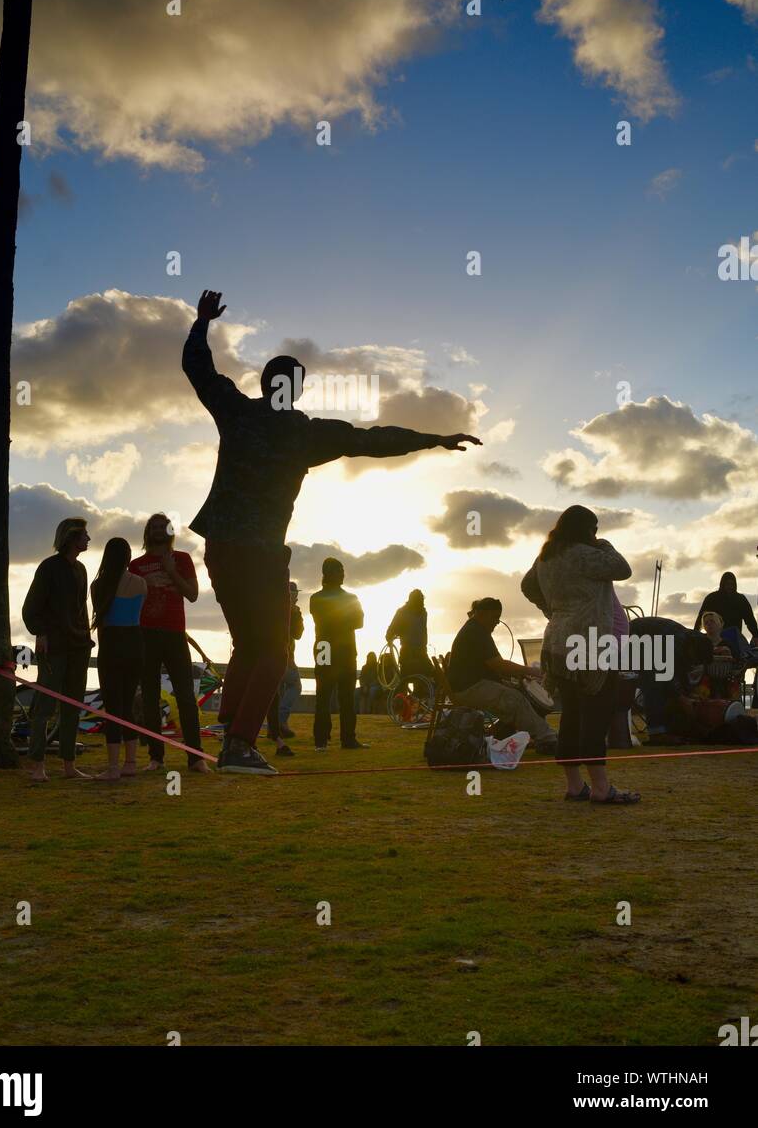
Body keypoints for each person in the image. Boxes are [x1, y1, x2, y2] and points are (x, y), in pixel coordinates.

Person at [182, 288, 482, 775]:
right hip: (259, 553)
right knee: (274, 654)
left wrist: (201, 322)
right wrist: (435, 440)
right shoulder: (305, 432)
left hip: (219, 545)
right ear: (297, 390)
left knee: (246, 646)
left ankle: (230, 726)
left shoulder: (236, 410)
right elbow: (372, 440)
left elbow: (198, 368)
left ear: (264, 383)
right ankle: (238, 744)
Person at [522, 505, 639, 804]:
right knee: (596, 716)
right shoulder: (587, 554)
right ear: (584, 529)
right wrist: (603, 544)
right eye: (594, 528)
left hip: (558, 644)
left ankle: (575, 786)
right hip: (590, 645)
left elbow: (527, 585)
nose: (597, 534)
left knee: (572, 715)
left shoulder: (547, 557)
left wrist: (551, 609)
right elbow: (623, 567)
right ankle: (601, 788)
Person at [129, 513, 210, 775]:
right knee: (149, 698)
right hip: (145, 635)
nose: (156, 531)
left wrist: (171, 570)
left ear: (170, 531)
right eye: (152, 527)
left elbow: (193, 594)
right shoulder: (136, 564)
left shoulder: (183, 559)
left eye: (161, 527)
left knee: (186, 697)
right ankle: (156, 757)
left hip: (175, 634)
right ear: (146, 532)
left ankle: (196, 758)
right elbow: (130, 601)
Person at [21, 517, 95, 783]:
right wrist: (40, 632)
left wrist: (86, 638)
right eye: (84, 535)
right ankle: (37, 765)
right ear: (72, 537)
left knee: (72, 707)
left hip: (79, 646)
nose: (88, 539)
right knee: (44, 708)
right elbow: (31, 607)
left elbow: (81, 609)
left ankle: (68, 765)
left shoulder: (82, 569)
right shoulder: (49, 567)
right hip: (54, 646)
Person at [446, 598, 558, 754]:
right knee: (516, 699)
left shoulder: (475, 629)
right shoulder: (476, 632)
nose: (496, 623)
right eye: (495, 618)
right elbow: (499, 665)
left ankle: (513, 735)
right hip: (469, 689)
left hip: (469, 685)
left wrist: (517, 675)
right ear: (483, 614)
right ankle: (548, 739)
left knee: (514, 696)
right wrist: (530, 671)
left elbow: (492, 666)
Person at [91, 538, 147, 781]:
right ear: (127, 557)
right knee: (127, 705)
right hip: (135, 643)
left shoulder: (98, 585)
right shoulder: (141, 583)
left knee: (113, 708)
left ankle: (113, 767)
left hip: (112, 645)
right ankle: (130, 763)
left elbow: (101, 624)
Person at [628, 615, 714, 744]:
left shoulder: (691, 642)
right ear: (692, 650)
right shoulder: (674, 642)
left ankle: (673, 726)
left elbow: (681, 673)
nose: (693, 662)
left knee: (671, 684)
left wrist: (690, 695)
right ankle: (657, 733)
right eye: (694, 659)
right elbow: (663, 672)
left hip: (647, 648)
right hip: (627, 643)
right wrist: (682, 698)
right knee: (654, 680)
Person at [309, 559, 366, 750]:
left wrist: (335, 619)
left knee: (346, 697)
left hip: (341, 649)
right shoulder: (318, 598)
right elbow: (353, 620)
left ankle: (347, 739)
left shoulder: (346, 597)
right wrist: (344, 619)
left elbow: (359, 621)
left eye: (343, 570)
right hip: (327, 648)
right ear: (328, 573)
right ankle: (322, 739)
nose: (343, 574)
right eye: (338, 570)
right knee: (324, 695)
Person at [264, 582, 304, 756]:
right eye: (295, 594)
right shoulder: (292, 611)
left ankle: (275, 728)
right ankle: (281, 721)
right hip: (284, 657)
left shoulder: (272, 607)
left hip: (269, 656)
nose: (296, 597)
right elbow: (297, 634)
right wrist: (296, 614)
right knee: (295, 685)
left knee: (276, 692)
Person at [386, 590, 433, 697]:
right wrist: (393, 635)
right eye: (419, 600)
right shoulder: (403, 612)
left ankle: (415, 704)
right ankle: (404, 707)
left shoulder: (423, 613)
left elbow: (391, 632)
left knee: (420, 680)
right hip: (409, 651)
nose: (421, 602)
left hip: (420, 651)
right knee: (407, 680)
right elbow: (390, 632)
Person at [694, 572, 758, 642]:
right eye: (727, 584)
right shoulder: (712, 598)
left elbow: (749, 619)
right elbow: (700, 619)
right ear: (722, 584)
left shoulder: (740, 599)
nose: (730, 587)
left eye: (732, 584)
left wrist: (755, 635)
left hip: (734, 638)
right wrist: (695, 635)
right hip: (714, 637)